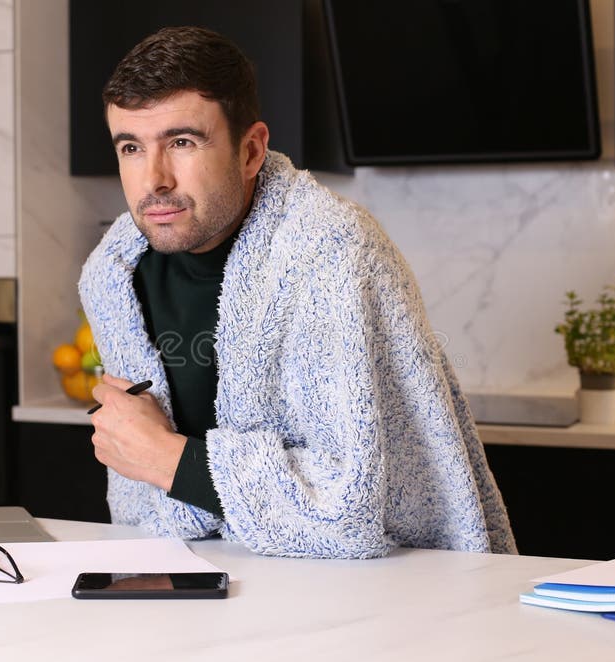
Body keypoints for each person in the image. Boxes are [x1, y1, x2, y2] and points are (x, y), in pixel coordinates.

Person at [79, 26, 516, 559]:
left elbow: (349, 507)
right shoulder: (114, 275)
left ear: (251, 150)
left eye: (182, 142)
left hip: (383, 585)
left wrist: (166, 458)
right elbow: (139, 491)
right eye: (131, 147)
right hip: (192, 580)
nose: (154, 179)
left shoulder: (330, 250)